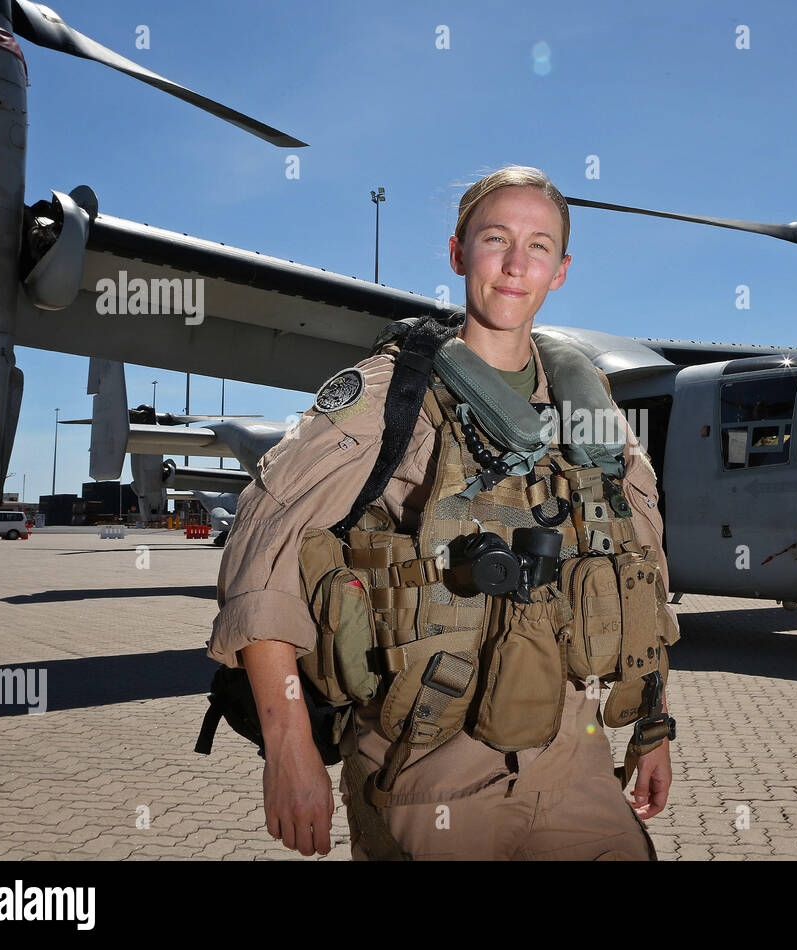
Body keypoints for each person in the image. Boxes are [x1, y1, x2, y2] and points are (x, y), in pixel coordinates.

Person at [207, 165, 679, 860]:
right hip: (425, 761)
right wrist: (289, 748)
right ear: (458, 253)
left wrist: (652, 726)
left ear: (562, 269)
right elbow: (264, 553)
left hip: (573, 754)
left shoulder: (591, 410)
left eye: (539, 246)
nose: (517, 265)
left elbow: (640, 567)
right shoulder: (389, 392)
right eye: (496, 240)